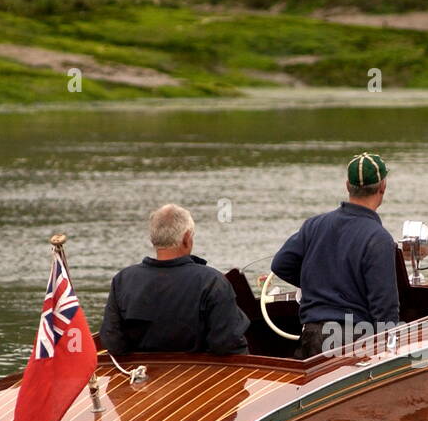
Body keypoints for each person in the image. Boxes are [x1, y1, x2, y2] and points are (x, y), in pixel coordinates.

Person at [271, 152, 401, 358]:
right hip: (354, 342)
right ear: (383, 187)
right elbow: (384, 307)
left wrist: (314, 284)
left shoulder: (314, 225)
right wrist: (390, 350)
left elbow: (280, 264)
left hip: (311, 336)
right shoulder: (379, 238)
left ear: (347, 186)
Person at [100, 204, 249, 357]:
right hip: (200, 375)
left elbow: (112, 341)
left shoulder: (123, 280)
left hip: (139, 375)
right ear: (186, 239)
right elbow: (227, 346)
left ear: (153, 239)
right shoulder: (212, 282)